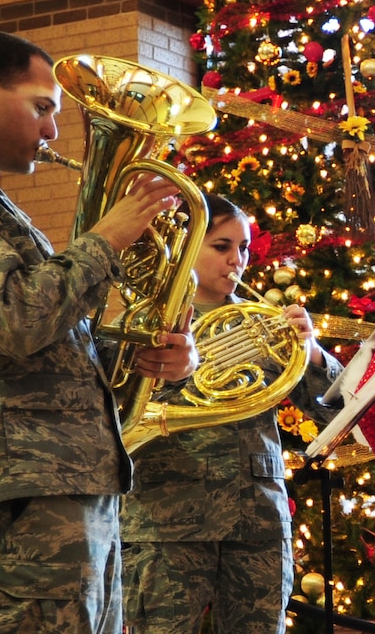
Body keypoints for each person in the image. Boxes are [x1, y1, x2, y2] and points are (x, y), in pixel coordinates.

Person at [0, 29, 199, 633]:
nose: (53, 130)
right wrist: (108, 238)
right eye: (43, 106)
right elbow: (14, 320)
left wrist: (151, 356)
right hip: (20, 506)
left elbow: (50, 349)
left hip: (72, 491)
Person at [121, 194, 343, 633]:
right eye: (221, 247)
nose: (236, 260)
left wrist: (313, 352)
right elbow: (118, 408)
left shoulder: (266, 324)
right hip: (166, 517)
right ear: (185, 248)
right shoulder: (142, 322)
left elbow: (329, 412)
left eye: (242, 248)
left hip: (256, 515)